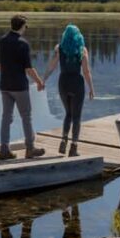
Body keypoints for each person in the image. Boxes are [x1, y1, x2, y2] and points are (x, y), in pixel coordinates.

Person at [0, 14, 45, 160]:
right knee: (26, 117)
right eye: (26, 26)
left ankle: (4, 150)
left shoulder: (1, 41)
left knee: (6, 117)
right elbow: (29, 69)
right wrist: (39, 82)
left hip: (4, 85)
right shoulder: (23, 44)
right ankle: (30, 149)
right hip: (19, 86)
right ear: (22, 26)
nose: (26, 29)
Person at [42, 23, 94, 157]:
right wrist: (91, 88)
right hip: (77, 83)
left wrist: (44, 79)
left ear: (65, 35)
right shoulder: (83, 50)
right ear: (78, 36)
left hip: (63, 83)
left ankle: (63, 139)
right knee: (76, 117)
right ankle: (73, 147)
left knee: (68, 114)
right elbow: (86, 71)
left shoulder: (59, 49)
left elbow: (52, 66)